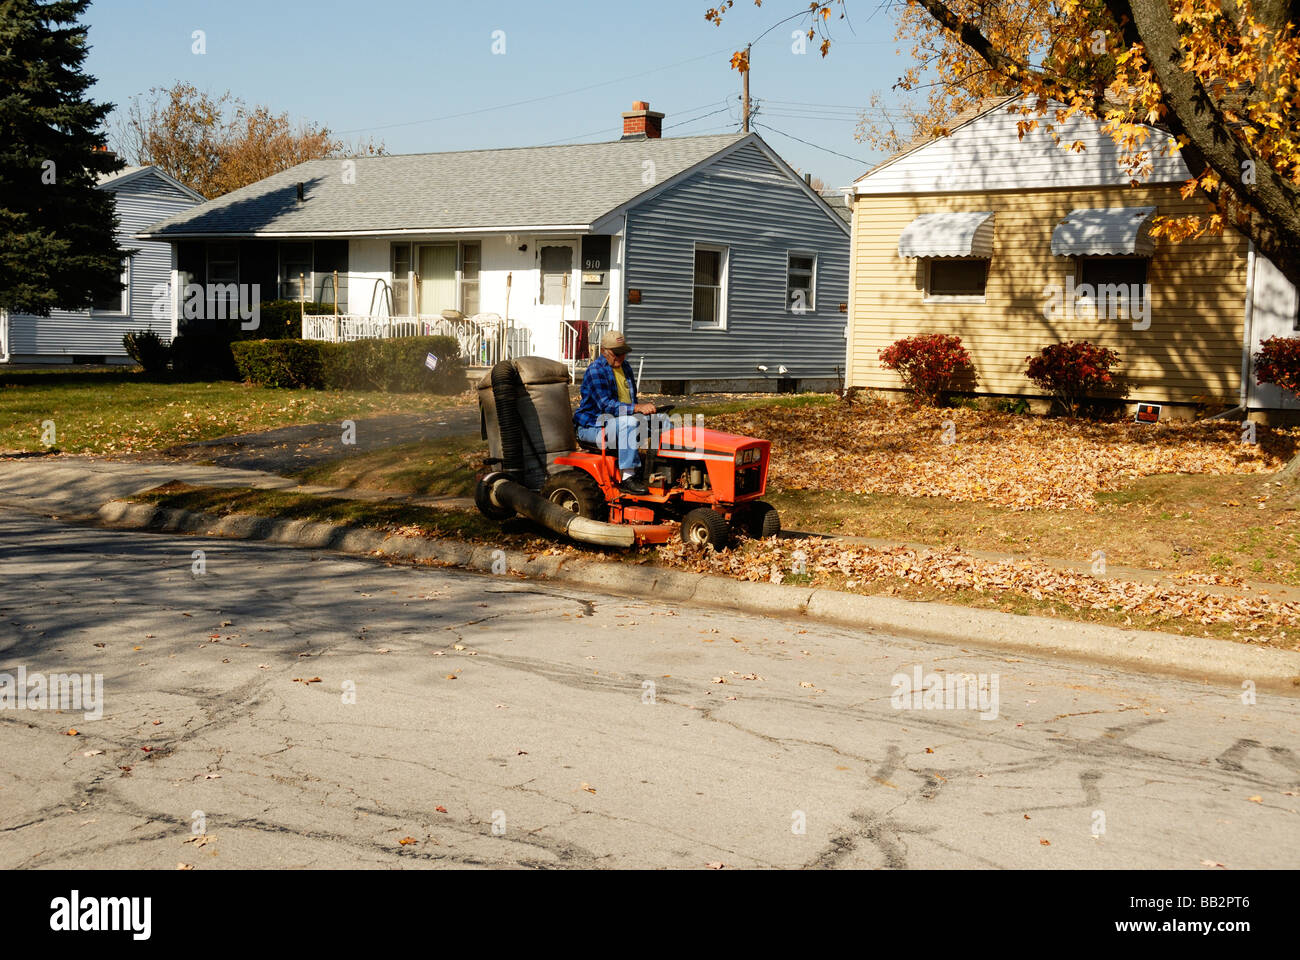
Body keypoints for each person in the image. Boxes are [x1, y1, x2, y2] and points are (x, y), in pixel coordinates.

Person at [573, 331, 664, 495]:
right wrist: (637, 409)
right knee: (628, 423)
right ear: (604, 351)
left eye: (623, 353)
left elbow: (630, 400)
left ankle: (661, 467)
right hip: (594, 426)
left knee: (663, 420)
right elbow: (606, 405)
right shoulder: (596, 370)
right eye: (617, 354)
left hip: (618, 422)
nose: (621, 357)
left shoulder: (625, 367)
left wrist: (642, 412)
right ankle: (627, 478)